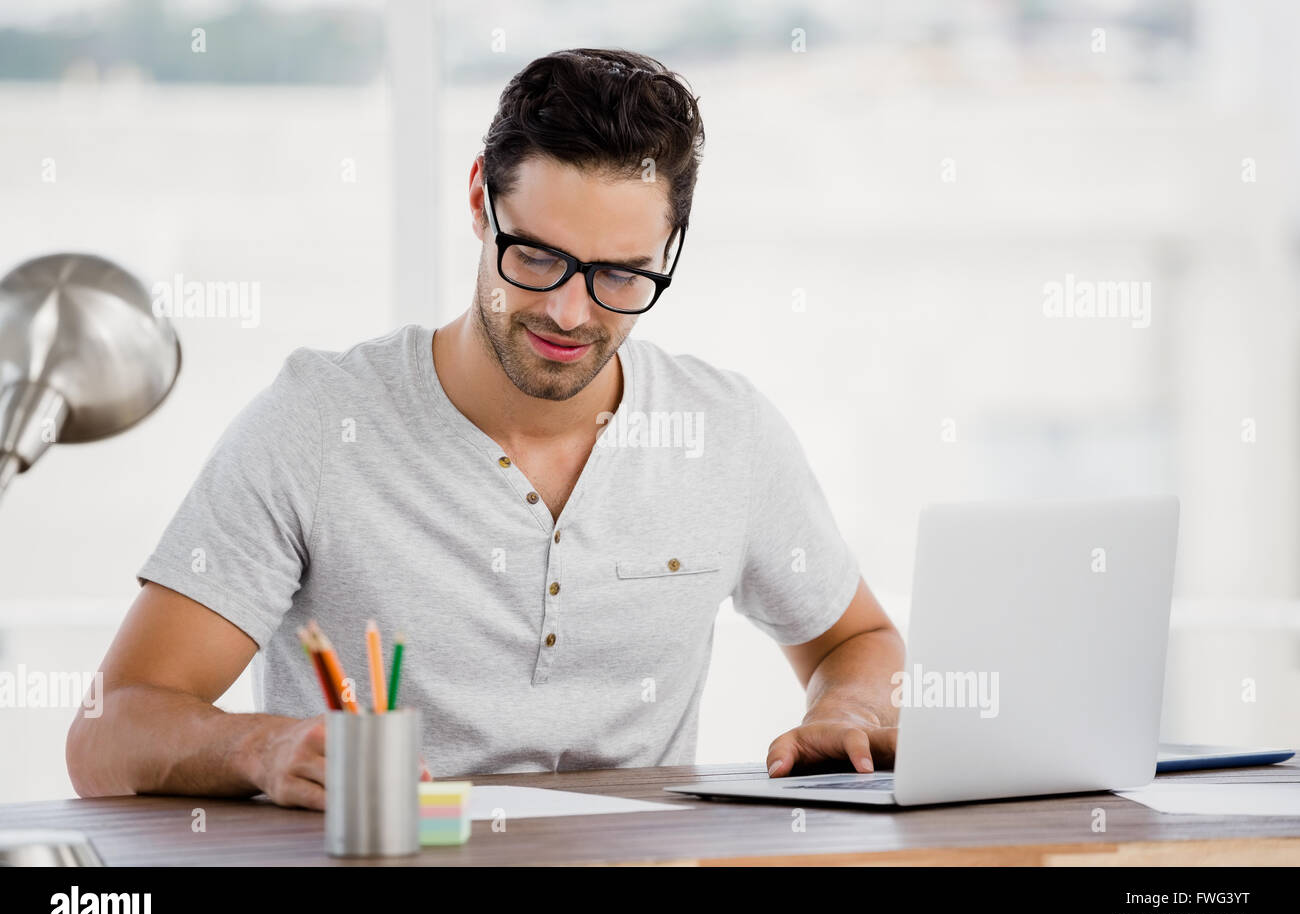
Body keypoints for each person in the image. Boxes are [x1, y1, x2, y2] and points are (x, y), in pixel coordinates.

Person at [67, 48, 903, 811]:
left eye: (618, 274)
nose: (569, 313)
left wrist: (853, 707)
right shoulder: (318, 422)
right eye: (536, 256)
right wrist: (265, 748)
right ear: (479, 201)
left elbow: (857, 639)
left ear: (668, 251)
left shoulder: (727, 434)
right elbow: (109, 735)